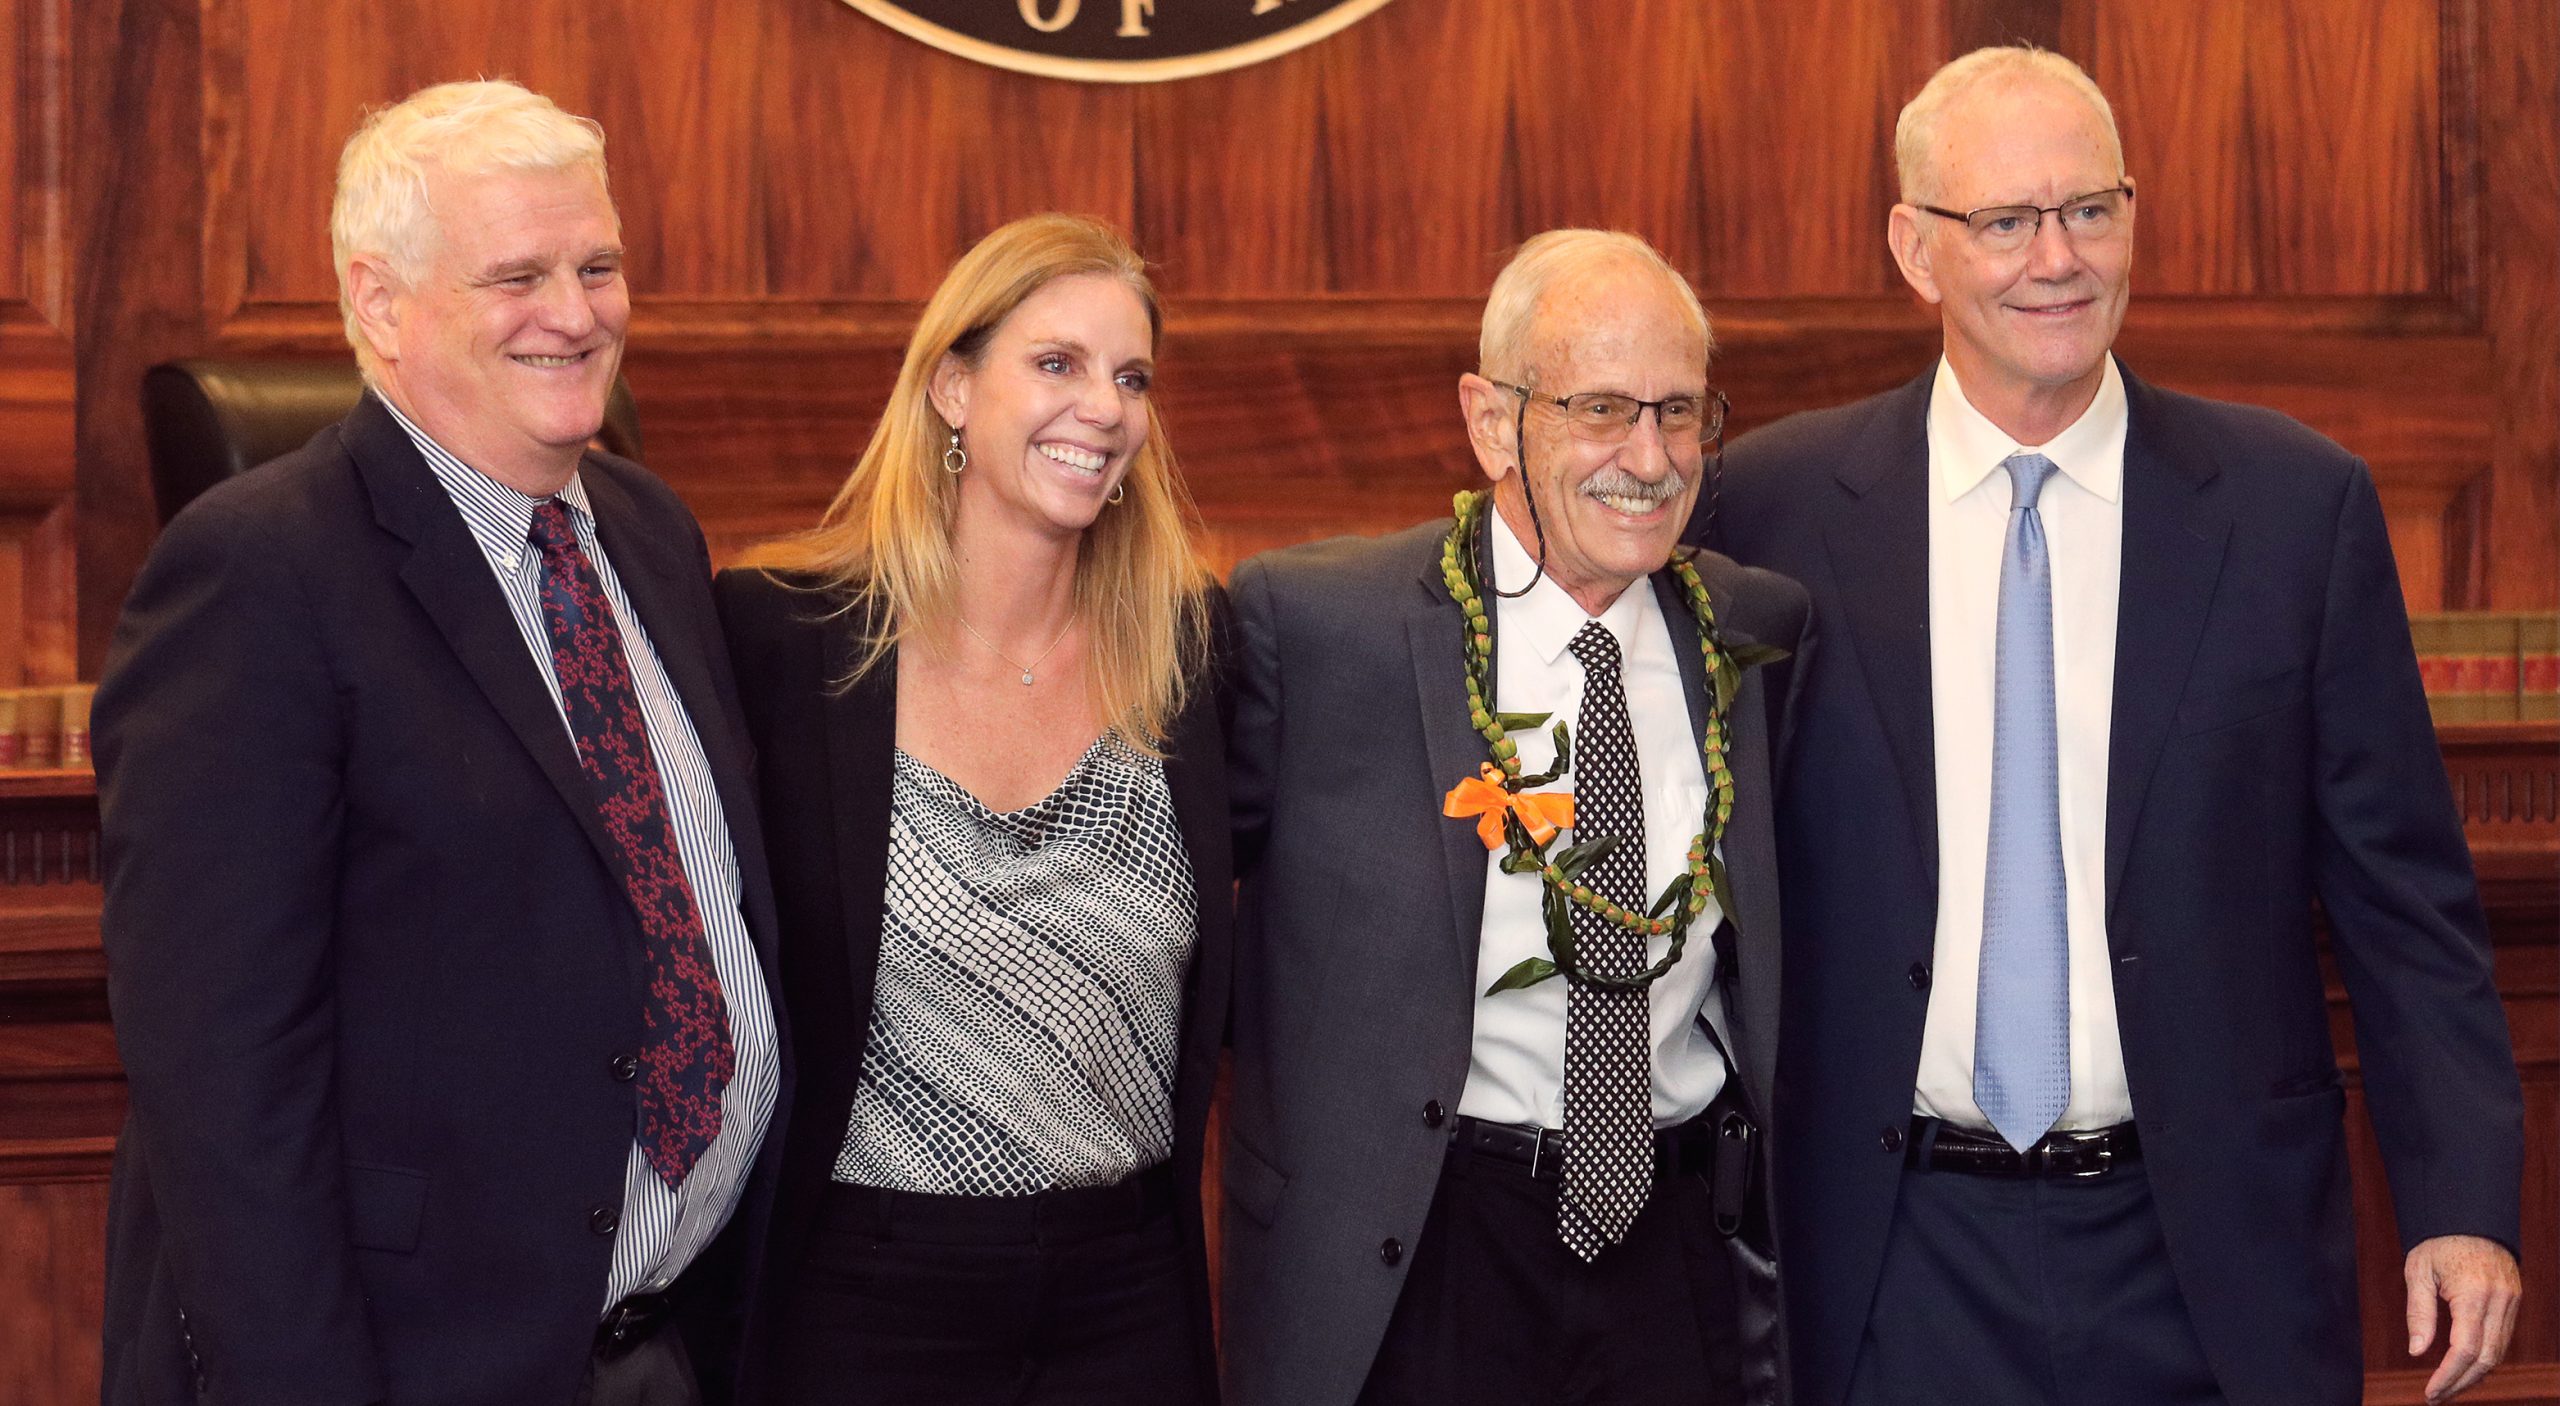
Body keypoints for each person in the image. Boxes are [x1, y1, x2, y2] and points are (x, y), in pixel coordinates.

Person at [1700, 45, 2526, 1406]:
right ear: (1916, 249)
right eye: (2007, 220)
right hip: (1893, 1255)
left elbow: (2407, 903)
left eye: (2091, 208)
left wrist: (2460, 1199)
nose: (2058, 257)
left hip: (2206, 1253)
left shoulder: (2292, 512)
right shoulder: (1773, 515)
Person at [94, 80, 784, 1406]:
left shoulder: (649, 533)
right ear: (377, 302)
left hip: (663, 1344)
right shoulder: (256, 574)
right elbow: (225, 1091)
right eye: (516, 275)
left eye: (599, 264)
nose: (577, 314)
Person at [1222, 229, 1807, 1406]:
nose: (1650, 455)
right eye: (1601, 408)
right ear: (1491, 421)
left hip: (1676, 1242)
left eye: (1679, 410)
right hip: (1424, 1241)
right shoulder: (1321, 629)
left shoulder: (1756, 631)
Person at [713, 213, 1229, 1406]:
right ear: (952, 385)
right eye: (1057, 363)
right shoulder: (783, 634)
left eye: (1131, 376)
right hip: (862, 1296)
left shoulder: (1187, 649)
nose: (1102, 407)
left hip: (1128, 1294)